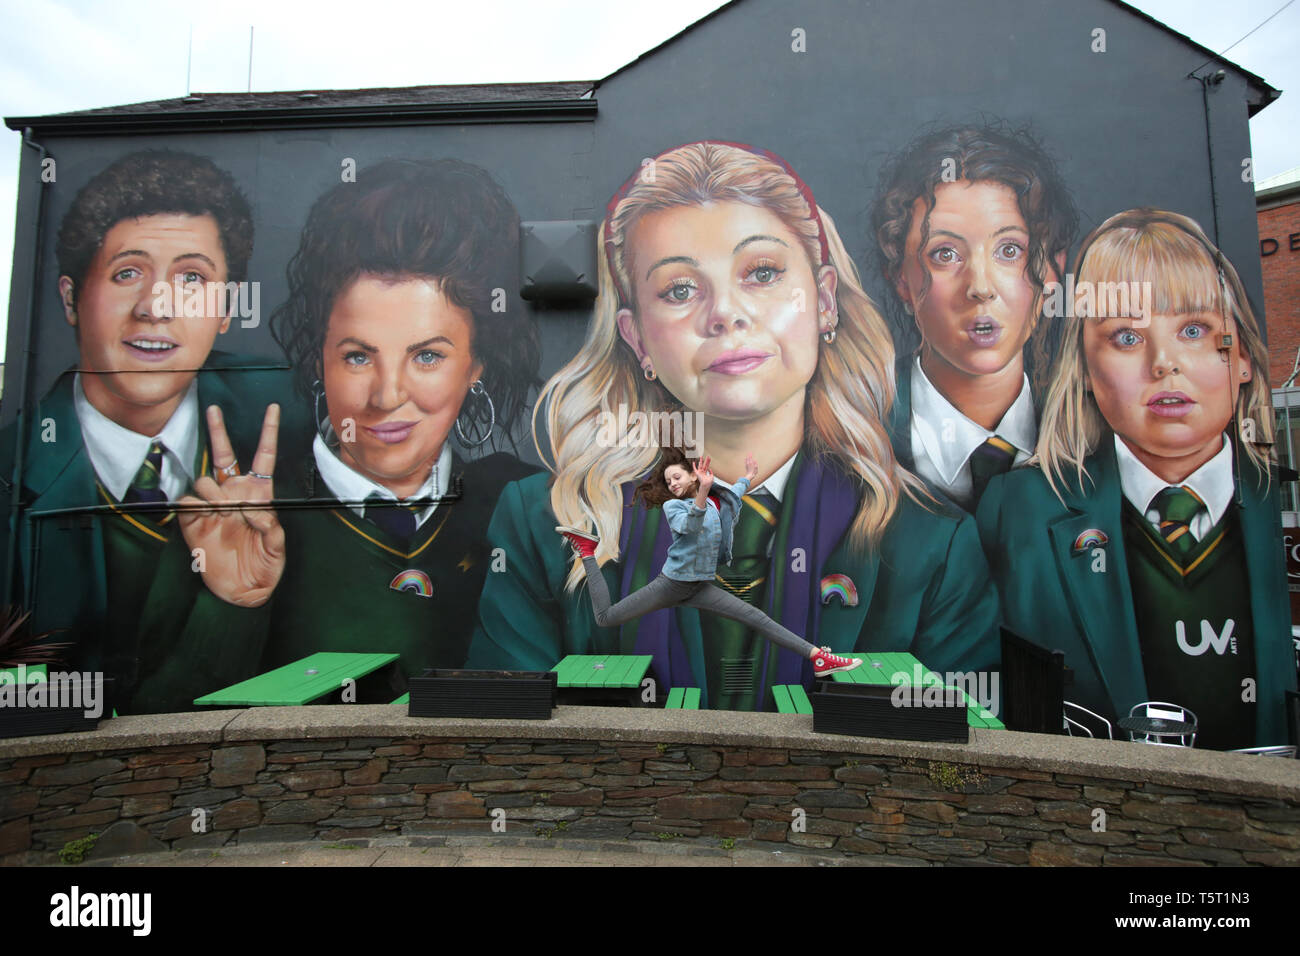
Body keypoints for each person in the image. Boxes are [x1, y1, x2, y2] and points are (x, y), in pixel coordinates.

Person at [469, 140, 1000, 711]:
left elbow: (955, 775)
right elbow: (505, 753)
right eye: (678, 289)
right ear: (636, 338)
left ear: (824, 301)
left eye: (763, 272)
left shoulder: (932, 544)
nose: (724, 312)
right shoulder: (540, 522)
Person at [976, 209, 1296, 749]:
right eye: (1125, 336)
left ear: (1241, 356)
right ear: (1085, 366)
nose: (1163, 363)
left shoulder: (1278, 500)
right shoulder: (1019, 510)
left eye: (1194, 330)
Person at [0, 150, 300, 714]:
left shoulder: (300, 430)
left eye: (191, 277)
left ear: (227, 307)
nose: (156, 308)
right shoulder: (11, 471)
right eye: (128, 273)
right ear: (71, 299)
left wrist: (236, 602)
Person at [263, 158, 540, 697]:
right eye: (358, 357)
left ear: (476, 363)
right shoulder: (250, 517)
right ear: (320, 356)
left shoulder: (522, 508)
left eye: (428, 357)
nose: (388, 396)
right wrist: (230, 605)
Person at [871, 123, 1077, 512]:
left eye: (1010, 250)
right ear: (900, 277)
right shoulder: (850, 433)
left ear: (1052, 268)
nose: (980, 287)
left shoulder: (1093, 433)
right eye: (944, 254)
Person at [558, 449, 860, 676]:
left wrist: (746, 478)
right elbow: (690, 526)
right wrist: (702, 490)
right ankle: (587, 550)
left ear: (693, 474)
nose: (672, 484)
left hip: (700, 586)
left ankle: (818, 657)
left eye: (677, 477)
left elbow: (734, 496)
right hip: (672, 584)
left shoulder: (717, 499)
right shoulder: (674, 507)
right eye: (668, 481)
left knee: (757, 618)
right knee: (606, 618)